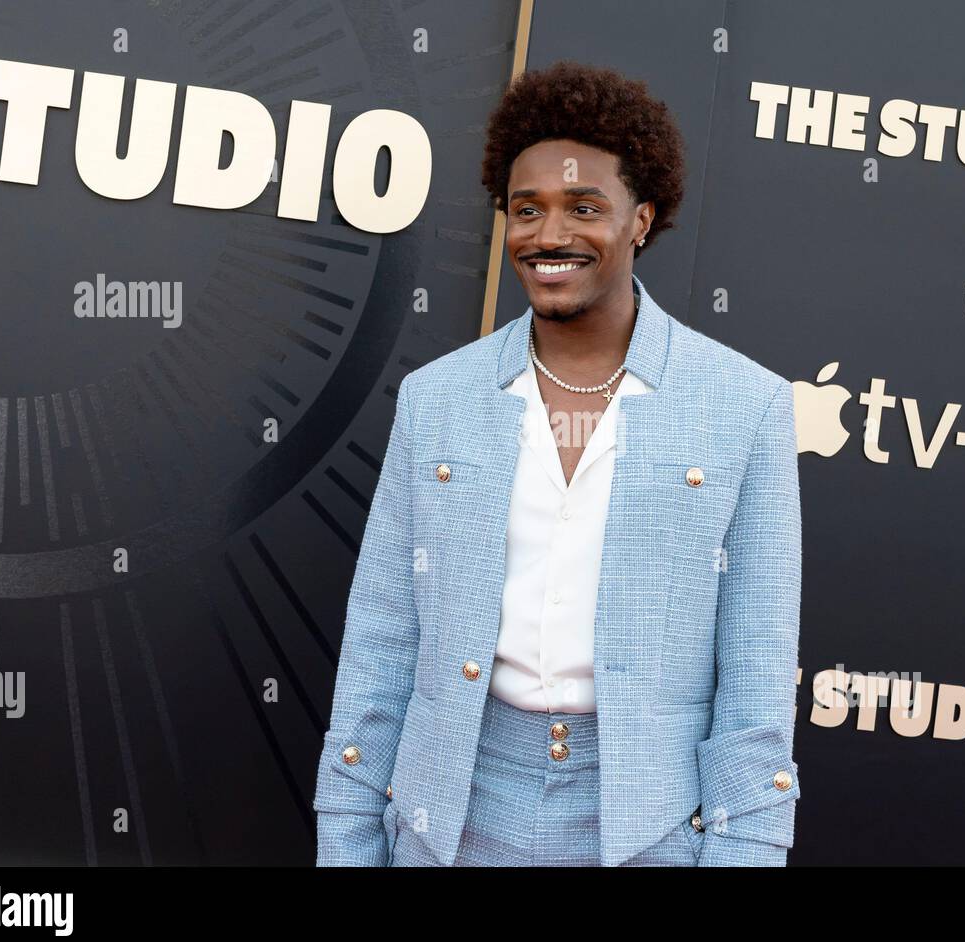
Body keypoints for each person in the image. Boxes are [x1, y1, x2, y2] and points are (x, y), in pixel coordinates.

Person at [314, 60, 803, 866]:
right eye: (527, 209)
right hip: (452, 812)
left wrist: (746, 851)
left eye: (585, 207)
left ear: (641, 219)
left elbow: (755, 678)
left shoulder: (744, 406)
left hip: (650, 821)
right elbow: (381, 644)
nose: (550, 236)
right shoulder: (438, 400)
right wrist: (348, 843)